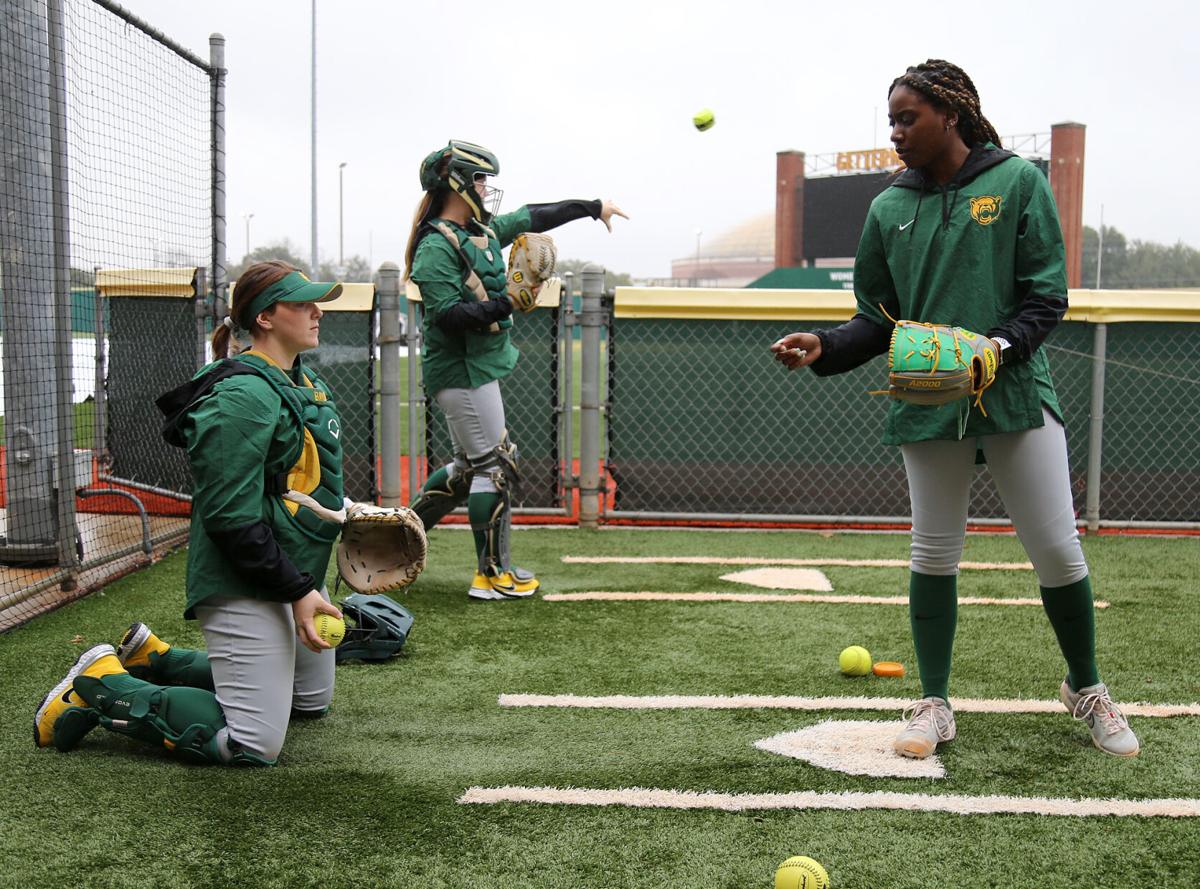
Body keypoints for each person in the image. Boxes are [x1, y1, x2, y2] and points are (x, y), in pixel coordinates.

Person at [770, 60, 1139, 760]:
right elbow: (877, 321)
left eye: (908, 118)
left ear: (951, 112)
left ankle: (1086, 687)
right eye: (890, 121)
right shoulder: (887, 208)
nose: (895, 132)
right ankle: (934, 701)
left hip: (1012, 389)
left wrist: (998, 347)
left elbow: (1044, 296)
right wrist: (824, 345)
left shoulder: (1018, 182)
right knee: (934, 551)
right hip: (928, 400)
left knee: (1057, 548)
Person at [35, 260, 349, 765]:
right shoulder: (243, 395)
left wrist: (350, 517)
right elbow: (230, 518)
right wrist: (296, 592)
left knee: (307, 703)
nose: (317, 313)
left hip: (292, 566)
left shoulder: (299, 381)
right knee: (253, 744)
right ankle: (99, 682)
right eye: (302, 303)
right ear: (265, 318)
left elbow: (298, 484)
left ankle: (156, 658)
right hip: (242, 574)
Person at [405, 140, 627, 601]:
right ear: (456, 183)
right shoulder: (436, 244)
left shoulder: (478, 230)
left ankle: (400, 538)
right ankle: (490, 576)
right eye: (480, 179)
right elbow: (446, 314)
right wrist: (508, 301)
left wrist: (592, 207)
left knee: (473, 467)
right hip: (460, 370)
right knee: (495, 466)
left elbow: (534, 216)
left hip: (477, 366)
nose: (486, 189)